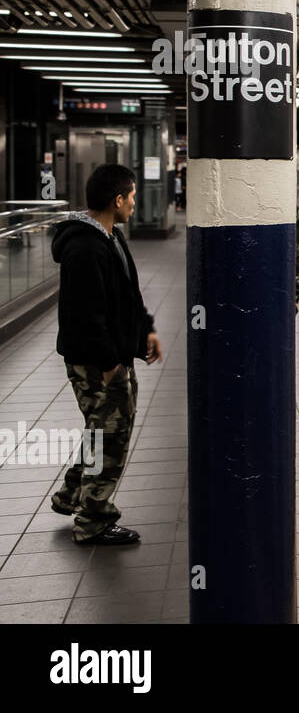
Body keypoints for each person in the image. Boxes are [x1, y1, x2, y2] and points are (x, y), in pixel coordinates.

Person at [49, 164, 162, 545]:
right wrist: (110, 363)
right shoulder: (85, 248)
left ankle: (71, 495)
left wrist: (145, 329)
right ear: (117, 200)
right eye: (131, 196)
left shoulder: (109, 236)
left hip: (112, 354)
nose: (134, 202)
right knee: (110, 435)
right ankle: (93, 518)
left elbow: (127, 293)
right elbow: (86, 316)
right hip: (97, 361)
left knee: (102, 430)